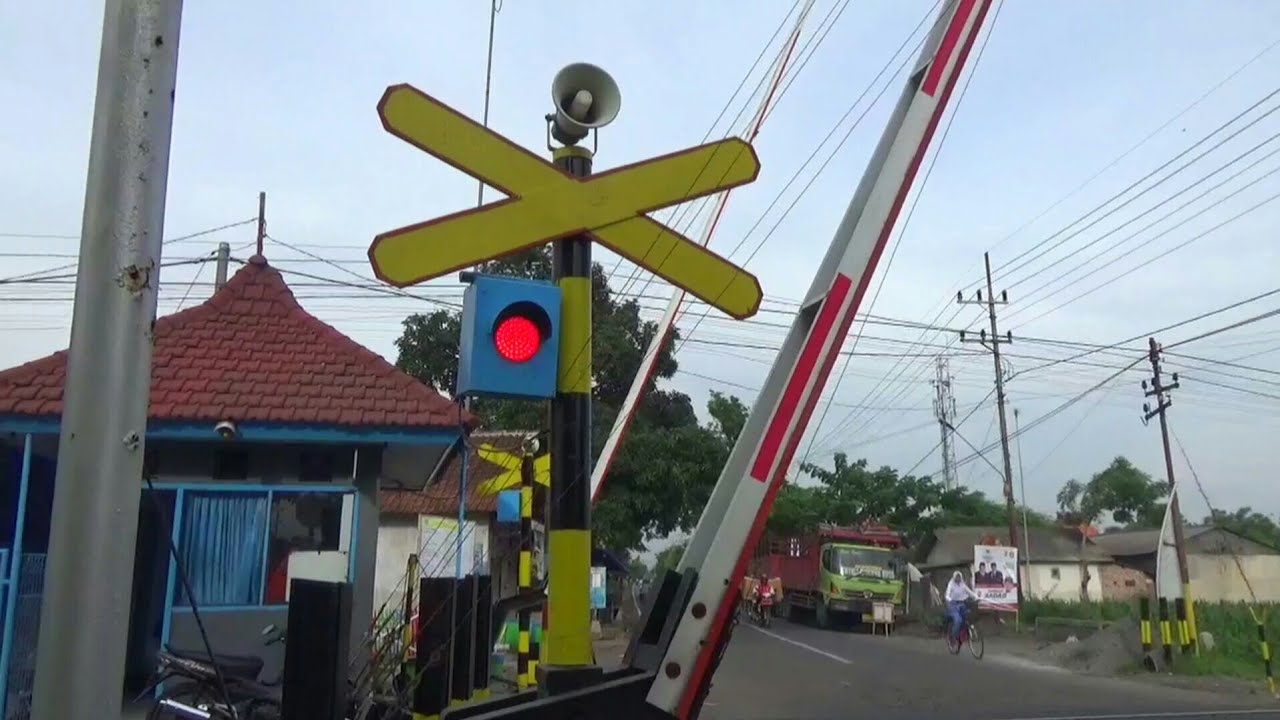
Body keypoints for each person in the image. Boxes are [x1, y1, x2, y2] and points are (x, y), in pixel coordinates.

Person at [945, 570, 978, 641]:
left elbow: (969, 592)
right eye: (957, 577)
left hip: (962, 604)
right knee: (958, 620)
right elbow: (947, 594)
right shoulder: (951, 584)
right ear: (954, 577)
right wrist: (949, 599)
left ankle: (965, 633)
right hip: (953, 605)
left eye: (959, 577)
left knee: (968, 615)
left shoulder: (962, 585)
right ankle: (953, 636)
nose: (958, 578)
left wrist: (975, 597)